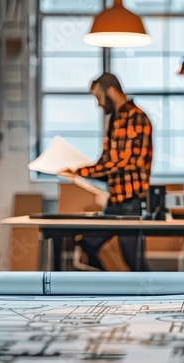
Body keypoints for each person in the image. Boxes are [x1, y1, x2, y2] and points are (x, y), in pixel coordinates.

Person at [67, 73, 153, 271]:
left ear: (111, 91)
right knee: (88, 242)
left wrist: (82, 171)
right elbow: (107, 163)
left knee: (135, 261)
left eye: (99, 97)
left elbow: (124, 162)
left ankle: (155, 299)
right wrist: (77, 173)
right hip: (115, 201)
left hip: (131, 202)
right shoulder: (114, 120)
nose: (98, 104)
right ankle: (107, 288)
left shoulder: (136, 117)